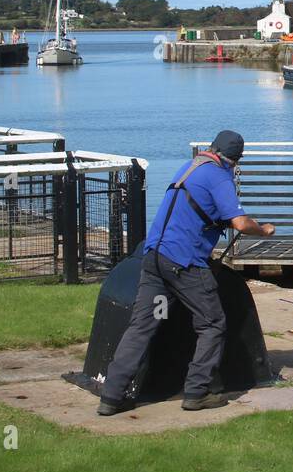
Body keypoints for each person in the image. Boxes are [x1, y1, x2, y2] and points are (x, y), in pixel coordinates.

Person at [98, 130, 275, 416]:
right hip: (185, 264)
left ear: (211, 148)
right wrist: (264, 229)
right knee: (212, 323)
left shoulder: (189, 167)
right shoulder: (219, 175)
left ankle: (111, 395)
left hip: (154, 259)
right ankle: (197, 391)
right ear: (234, 160)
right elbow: (240, 223)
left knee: (142, 327)